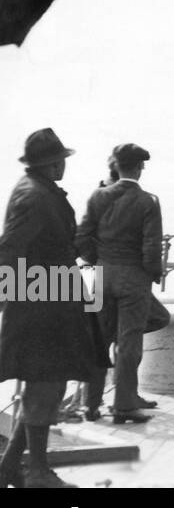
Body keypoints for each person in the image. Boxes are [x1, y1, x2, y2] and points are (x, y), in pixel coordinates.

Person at [0, 129, 106, 488]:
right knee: (45, 386)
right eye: (61, 159)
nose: (63, 165)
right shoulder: (34, 196)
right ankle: (38, 472)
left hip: (50, 299)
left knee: (48, 384)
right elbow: (11, 248)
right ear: (52, 162)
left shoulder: (36, 189)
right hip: (41, 306)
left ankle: (11, 466)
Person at [69, 142, 165, 426]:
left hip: (101, 274)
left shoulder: (97, 196)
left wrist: (98, 260)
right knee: (129, 343)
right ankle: (124, 404)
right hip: (132, 278)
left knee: (100, 341)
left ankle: (91, 404)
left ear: (116, 166)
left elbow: (81, 237)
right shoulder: (148, 201)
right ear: (139, 168)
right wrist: (152, 274)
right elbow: (151, 247)